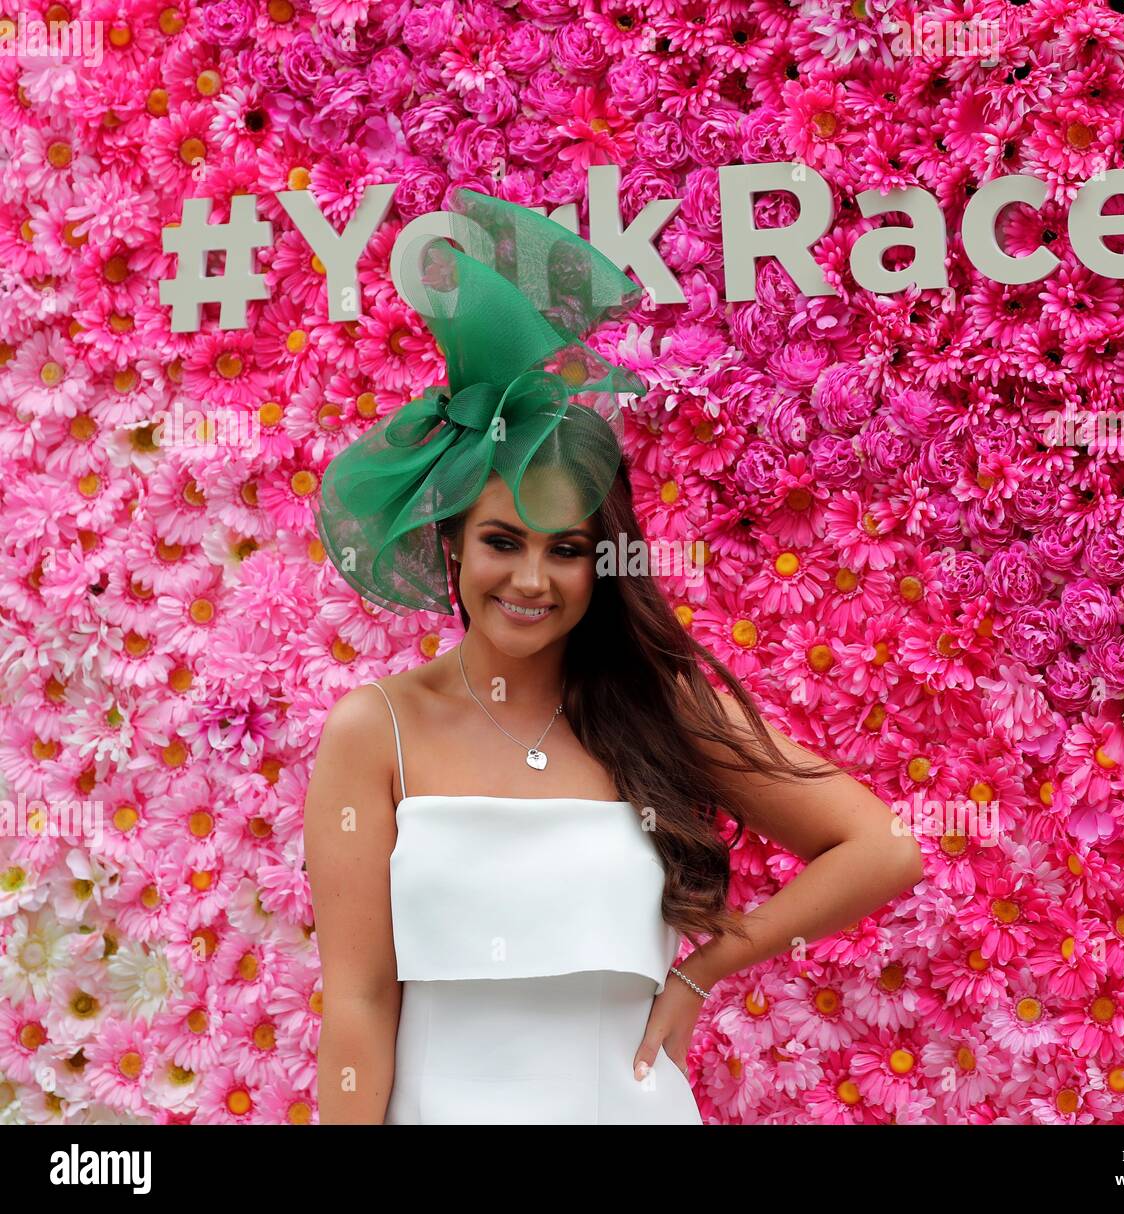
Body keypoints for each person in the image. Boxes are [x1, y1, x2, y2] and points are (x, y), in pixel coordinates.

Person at [304, 189, 925, 1125]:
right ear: (453, 549)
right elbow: (357, 1001)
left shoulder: (652, 705)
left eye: (566, 550)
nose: (531, 579)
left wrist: (703, 976)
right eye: (502, 542)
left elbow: (880, 848)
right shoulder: (376, 730)